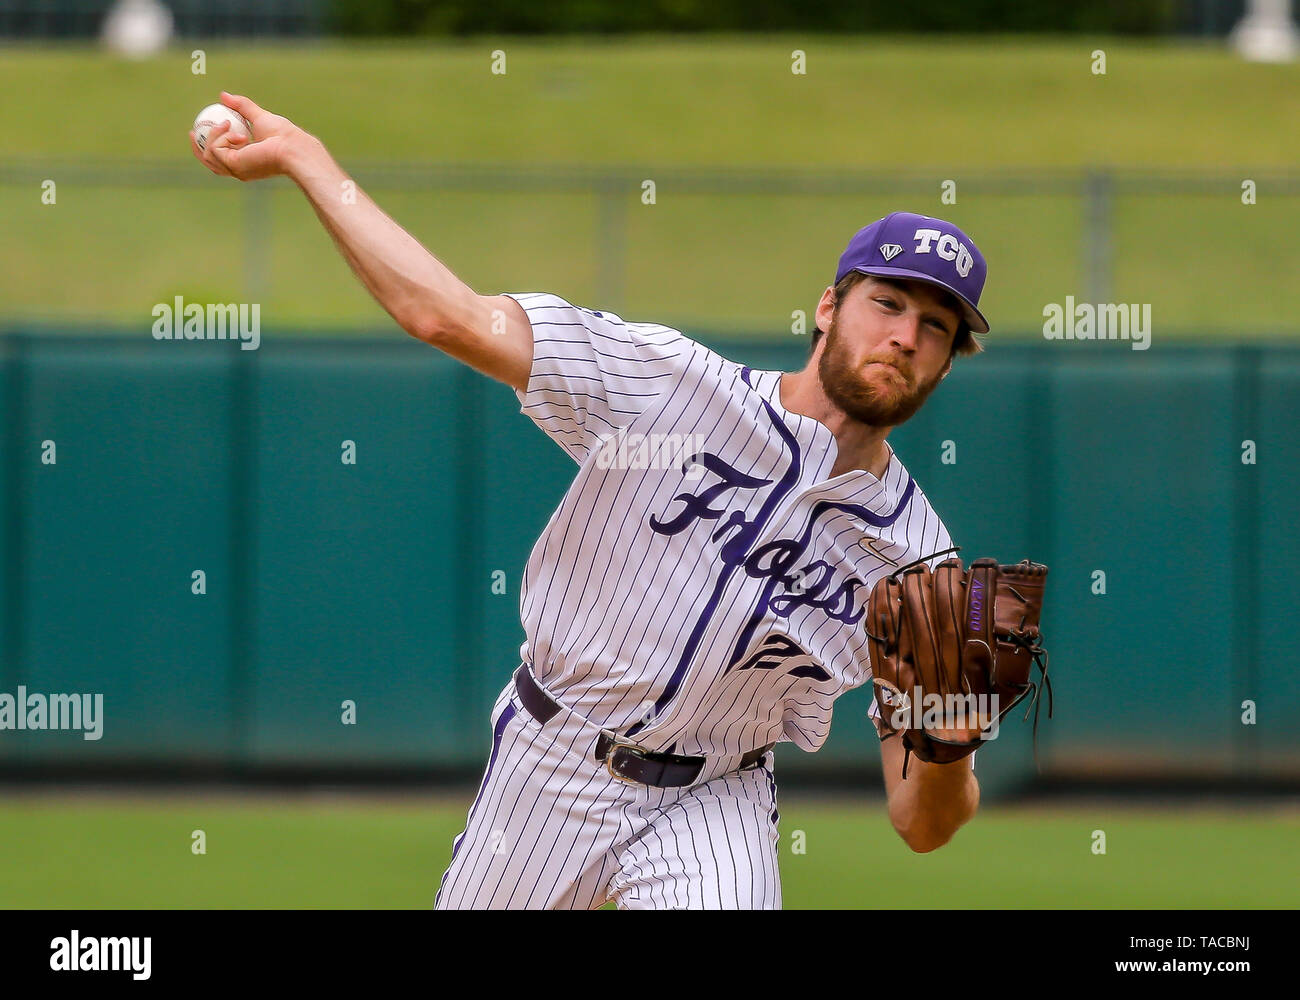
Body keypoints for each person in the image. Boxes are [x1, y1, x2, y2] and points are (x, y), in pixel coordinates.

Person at [192, 93, 990, 910]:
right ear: (829, 308)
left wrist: (949, 746)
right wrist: (309, 162)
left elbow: (921, 823)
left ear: (946, 362)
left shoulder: (921, 567)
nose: (904, 336)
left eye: (935, 327)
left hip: (714, 797)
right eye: (886, 304)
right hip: (552, 761)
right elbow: (441, 314)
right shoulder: (670, 386)